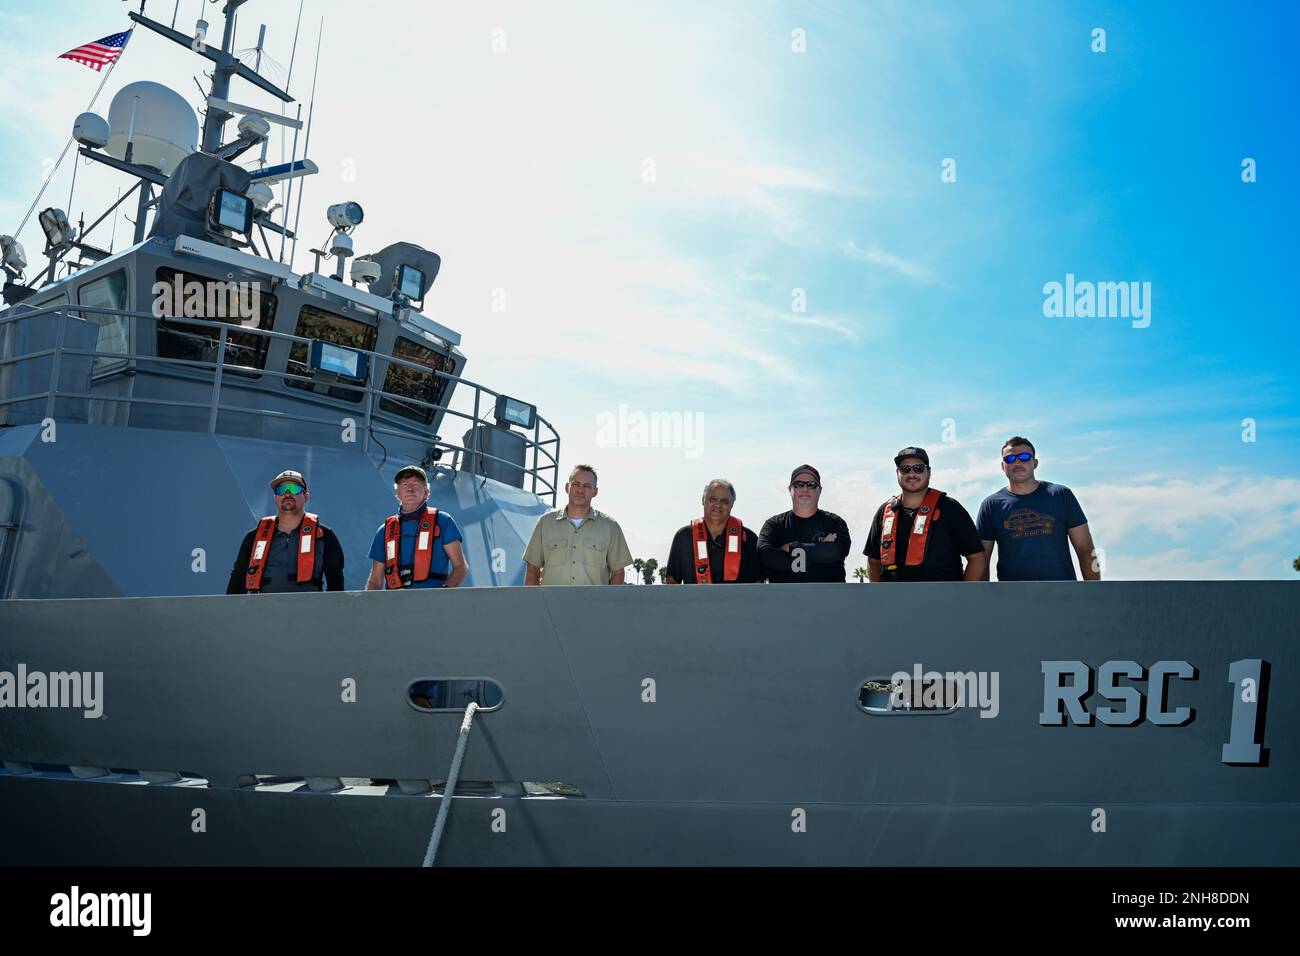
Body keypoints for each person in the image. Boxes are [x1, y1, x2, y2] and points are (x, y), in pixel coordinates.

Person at [976, 437, 1100, 581]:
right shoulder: (991, 505)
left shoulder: (1060, 495)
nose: (1017, 462)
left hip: (1062, 594)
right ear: (1003, 466)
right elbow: (982, 561)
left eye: (1024, 457)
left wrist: (1095, 593)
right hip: (1011, 597)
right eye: (1010, 459)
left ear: (1035, 463)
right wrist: (982, 600)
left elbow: (1085, 549)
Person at [863, 447, 985, 582]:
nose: (912, 474)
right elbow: (873, 561)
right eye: (905, 469)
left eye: (918, 468)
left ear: (929, 472)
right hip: (894, 600)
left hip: (943, 600)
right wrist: (878, 597)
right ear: (898, 473)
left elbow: (977, 558)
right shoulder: (885, 512)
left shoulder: (950, 508)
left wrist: (961, 597)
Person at [227, 469, 345, 594]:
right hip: (263, 610)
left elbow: (336, 585)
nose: (287, 494)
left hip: (309, 610)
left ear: (306, 497)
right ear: (275, 498)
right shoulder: (254, 537)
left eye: (294, 489)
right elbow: (237, 582)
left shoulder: (324, 535)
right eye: (281, 490)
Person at [523, 464, 632, 585]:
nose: (580, 490)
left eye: (587, 486)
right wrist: (534, 603)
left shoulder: (611, 527)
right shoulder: (544, 523)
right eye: (576, 484)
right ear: (567, 487)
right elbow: (532, 568)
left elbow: (618, 572)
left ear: (595, 492)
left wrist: (607, 603)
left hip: (593, 604)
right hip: (551, 604)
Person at [365, 465, 468, 590]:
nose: (410, 489)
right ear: (398, 493)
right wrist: (367, 607)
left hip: (432, 602)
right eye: (404, 484)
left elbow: (460, 567)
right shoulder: (385, 530)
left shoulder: (443, 521)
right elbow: (375, 581)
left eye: (416, 484)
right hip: (395, 603)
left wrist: (442, 595)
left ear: (426, 492)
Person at [758, 464, 851, 583]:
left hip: (829, 599)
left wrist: (792, 548)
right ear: (790, 489)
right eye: (799, 484)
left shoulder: (835, 522)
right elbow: (766, 556)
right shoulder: (774, 525)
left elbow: (838, 551)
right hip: (784, 599)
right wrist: (821, 553)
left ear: (820, 490)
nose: (805, 489)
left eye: (811, 485)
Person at [664, 479, 763, 584]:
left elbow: (758, 582)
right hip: (694, 600)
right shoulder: (684, 536)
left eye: (724, 501)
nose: (718, 505)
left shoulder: (749, 538)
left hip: (737, 600)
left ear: (732, 504)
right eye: (713, 499)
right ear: (703, 500)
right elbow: (672, 581)